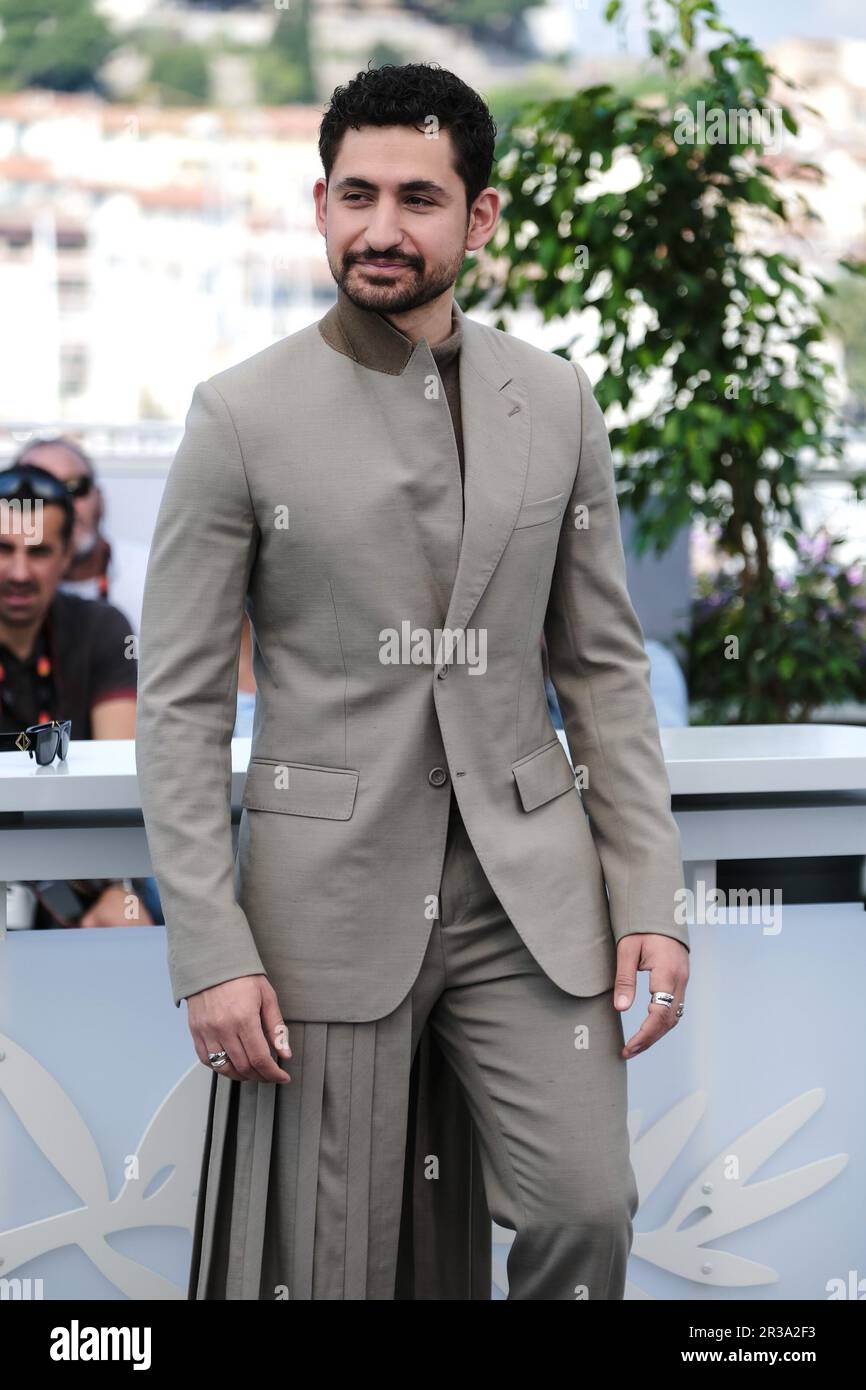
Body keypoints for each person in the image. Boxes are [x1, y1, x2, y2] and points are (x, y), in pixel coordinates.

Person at [136, 63, 690, 1302]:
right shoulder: (238, 416)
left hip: (528, 896)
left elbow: (601, 667)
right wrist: (209, 949)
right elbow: (173, 705)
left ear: (477, 218)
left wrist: (649, 891)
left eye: (418, 198)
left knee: (586, 1210)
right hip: (323, 899)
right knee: (340, 1261)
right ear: (319, 203)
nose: (381, 227)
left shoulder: (554, 399)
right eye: (355, 194)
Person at [0, 463, 152, 927]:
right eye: (3, 549)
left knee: (129, 919)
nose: (20, 572)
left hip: (87, 867)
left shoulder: (103, 629)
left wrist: (118, 888)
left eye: (40, 551)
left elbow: (119, 777)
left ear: (69, 555)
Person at [11, 433, 150, 635]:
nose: (64, 505)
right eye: (39, 492)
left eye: (75, 487)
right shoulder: (8, 589)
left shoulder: (153, 576)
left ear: (100, 500)